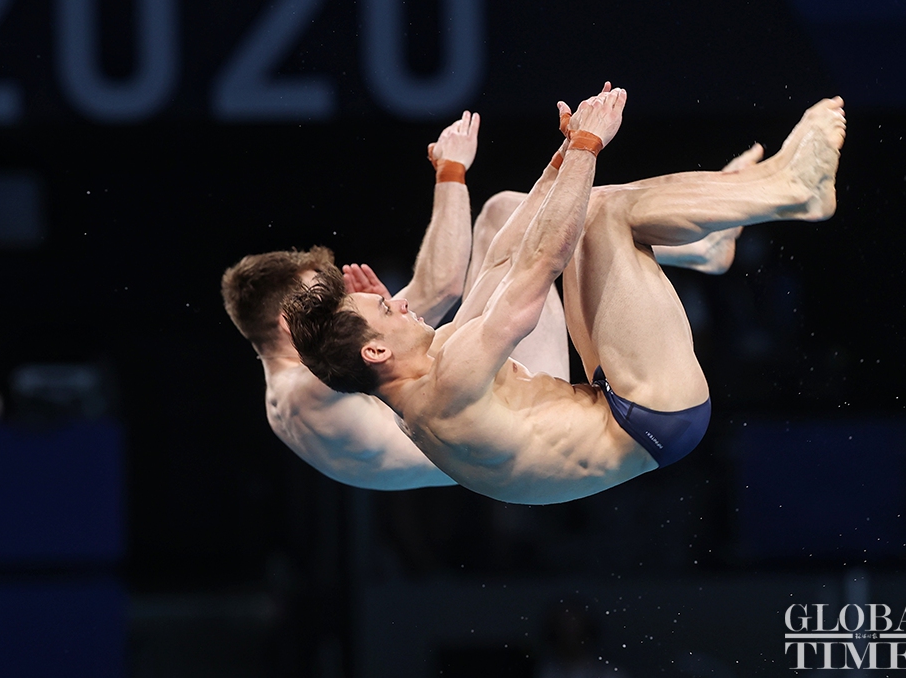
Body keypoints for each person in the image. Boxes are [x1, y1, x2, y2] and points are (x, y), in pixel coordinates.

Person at [285, 86, 846, 504]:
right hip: (654, 415)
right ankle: (789, 189)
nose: (402, 301)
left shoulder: (430, 373)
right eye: (387, 310)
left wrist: (561, 160)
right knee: (599, 210)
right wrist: (588, 144)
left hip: (616, 403)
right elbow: (538, 265)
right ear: (376, 352)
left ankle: (735, 223)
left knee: (571, 209)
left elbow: (505, 258)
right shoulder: (447, 387)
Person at [222, 108, 750, 490]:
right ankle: (683, 239)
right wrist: (451, 173)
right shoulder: (308, 386)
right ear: (289, 325)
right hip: (489, 421)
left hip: (465, 425)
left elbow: (405, 333)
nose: (336, 294)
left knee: (505, 216)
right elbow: (443, 287)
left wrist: (386, 313)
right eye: (322, 296)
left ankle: (698, 249)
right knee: (536, 254)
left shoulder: (293, 392)